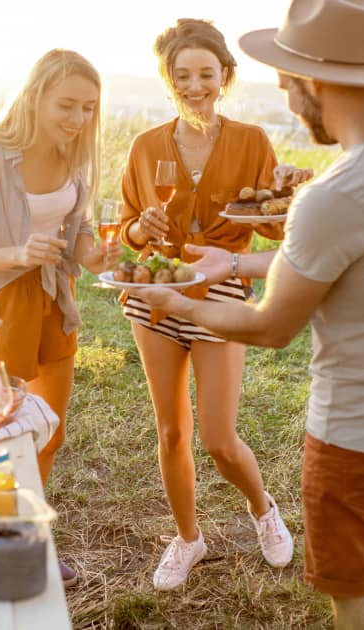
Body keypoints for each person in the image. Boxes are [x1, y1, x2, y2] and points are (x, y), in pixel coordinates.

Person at [131, 1, 364, 627]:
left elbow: (270, 326)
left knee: (358, 593)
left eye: (286, 84)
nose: (287, 102)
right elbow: (352, 258)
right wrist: (228, 267)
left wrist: (176, 301)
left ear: (314, 80)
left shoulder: (337, 192)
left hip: (360, 436)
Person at [116, 18, 312, 592]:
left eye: (206, 73)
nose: (194, 84)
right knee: (172, 432)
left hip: (222, 288)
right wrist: (138, 229)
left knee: (218, 439)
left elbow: (277, 230)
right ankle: (188, 539)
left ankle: (262, 508)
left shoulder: (251, 140)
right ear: (168, 79)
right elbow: (128, 224)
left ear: (224, 76)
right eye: (182, 75)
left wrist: (289, 195)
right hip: (156, 289)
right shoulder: (146, 145)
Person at [0, 48, 120, 585]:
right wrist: (19, 252)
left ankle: (29, 540)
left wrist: (93, 255)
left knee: (50, 432)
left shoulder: (78, 155)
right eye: (66, 105)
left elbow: (80, 228)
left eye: (88, 108)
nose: (77, 119)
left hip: (55, 299)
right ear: (35, 95)